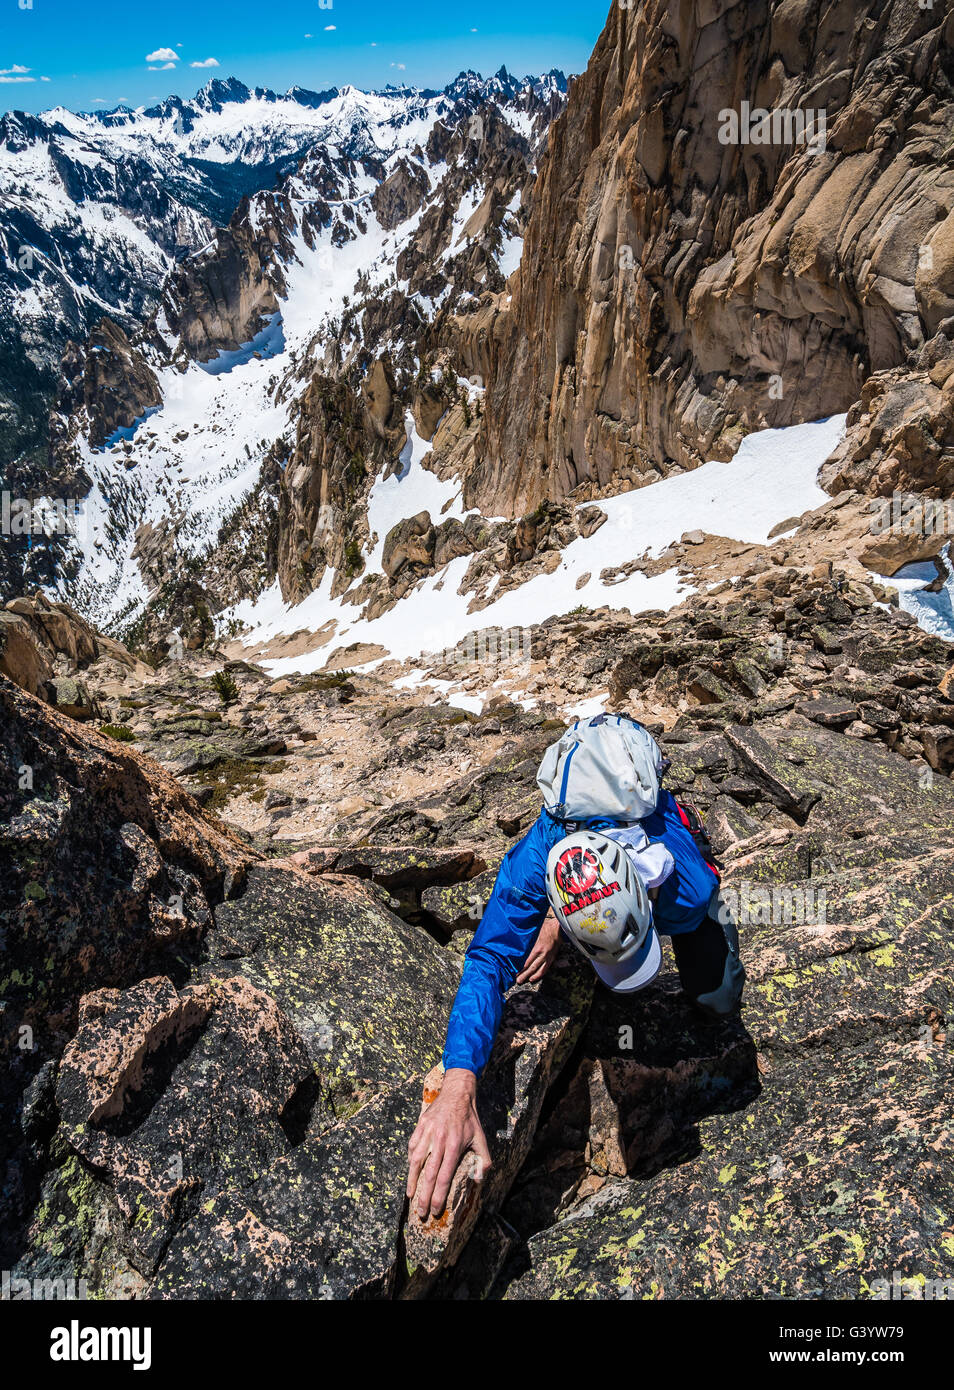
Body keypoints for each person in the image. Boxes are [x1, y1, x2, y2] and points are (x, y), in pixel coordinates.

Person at [406, 712, 745, 1220]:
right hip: (571, 845)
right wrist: (459, 1082)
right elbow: (488, 958)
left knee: (718, 998)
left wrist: (564, 924)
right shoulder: (533, 859)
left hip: (664, 860)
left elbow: (693, 890)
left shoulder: (683, 886)